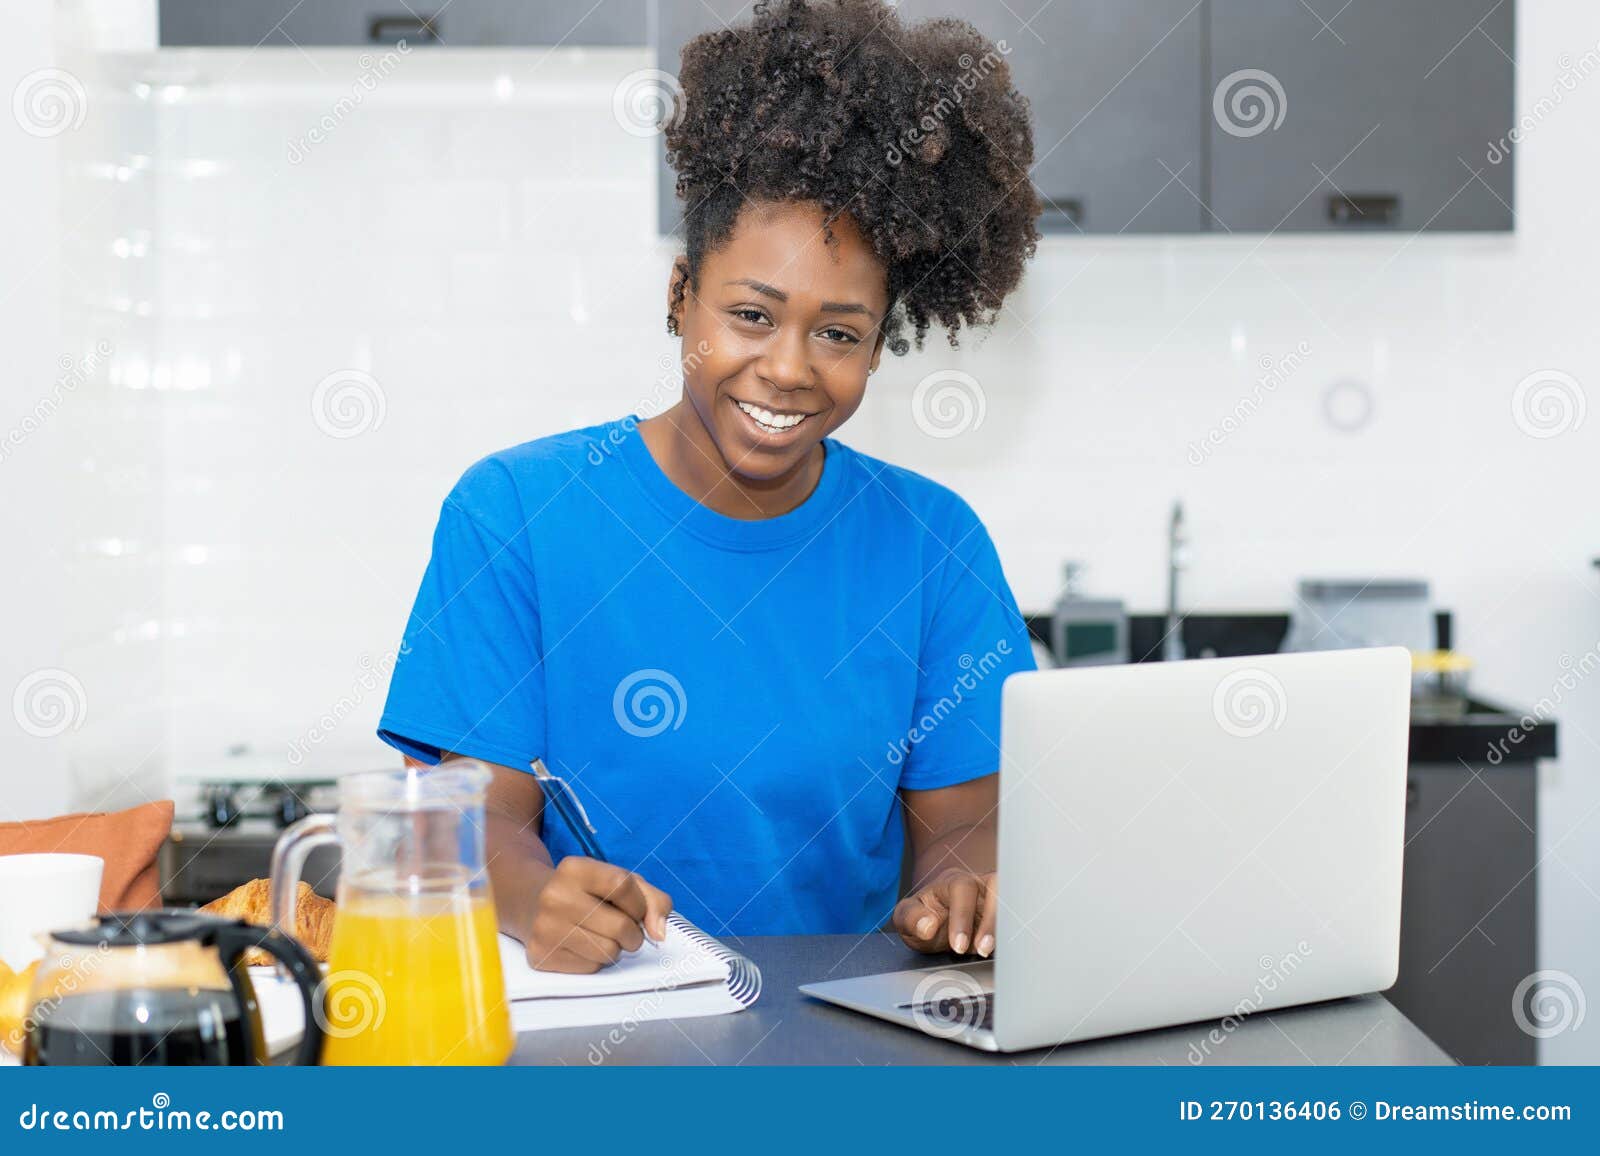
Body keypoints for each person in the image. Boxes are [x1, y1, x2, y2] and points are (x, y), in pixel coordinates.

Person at [377, 0, 1042, 972]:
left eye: (840, 333)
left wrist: (959, 898)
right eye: (749, 313)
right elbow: (476, 825)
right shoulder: (517, 513)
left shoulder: (934, 546)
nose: (787, 367)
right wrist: (533, 894)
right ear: (680, 293)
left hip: (844, 1057)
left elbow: (963, 832)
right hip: (596, 1042)